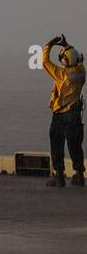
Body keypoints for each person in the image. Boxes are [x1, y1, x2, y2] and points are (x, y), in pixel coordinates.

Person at [42, 34, 85, 187]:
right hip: (75, 114)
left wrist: (50, 44)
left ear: (64, 61)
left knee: (57, 144)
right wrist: (67, 46)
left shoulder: (62, 74)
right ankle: (80, 175)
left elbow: (45, 61)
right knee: (75, 145)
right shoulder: (81, 72)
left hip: (61, 115)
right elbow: (78, 59)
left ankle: (59, 177)